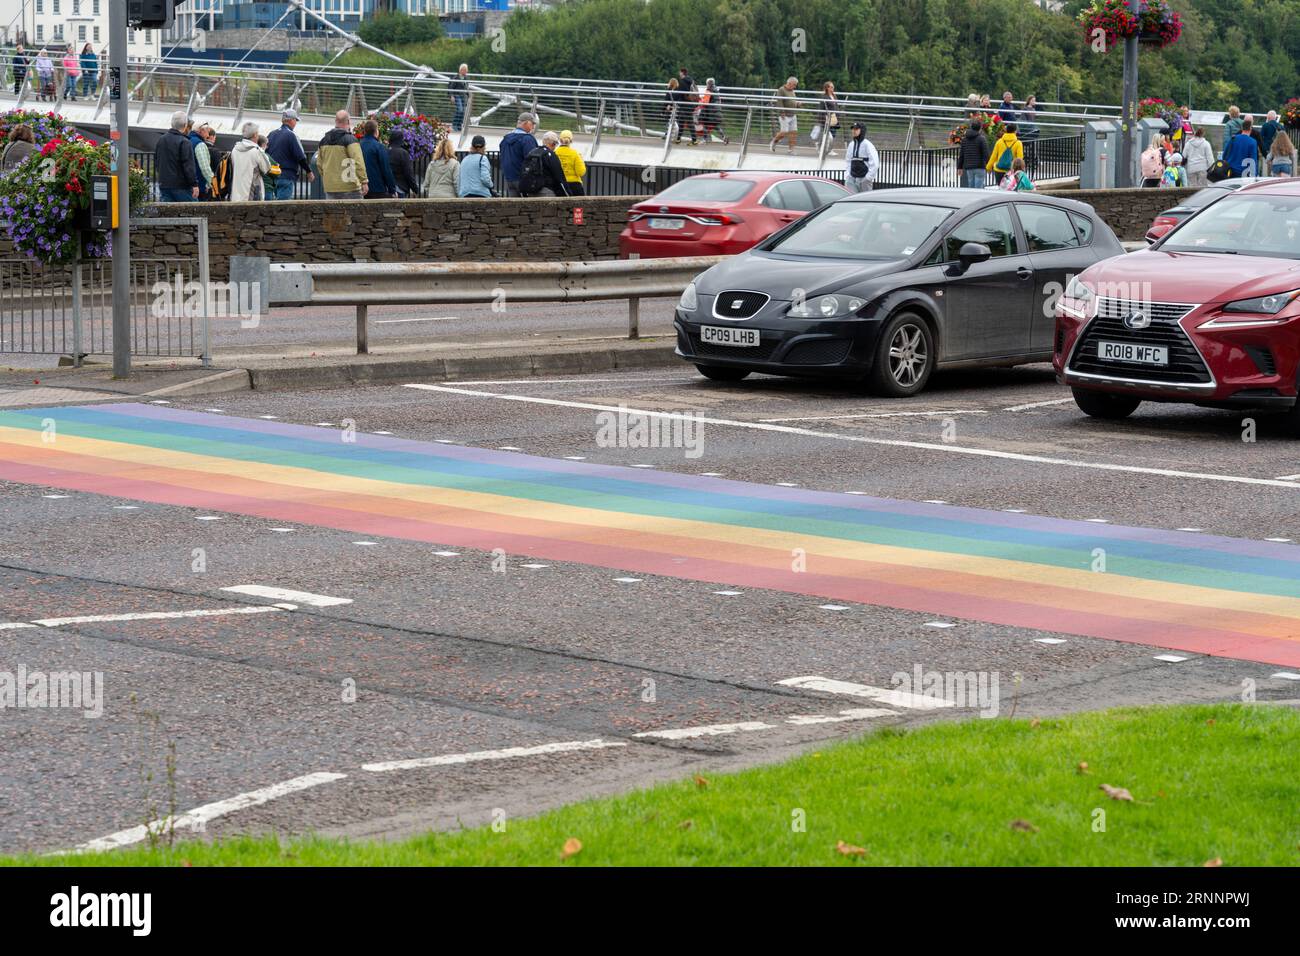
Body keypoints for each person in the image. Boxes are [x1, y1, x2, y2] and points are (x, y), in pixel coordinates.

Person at [318, 109, 368, 199]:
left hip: (330, 187)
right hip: (350, 187)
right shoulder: (350, 139)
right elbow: (358, 161)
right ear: (348, 121)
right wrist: (364, 181)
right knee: (355, 213)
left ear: (336, 121)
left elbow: (319, 165)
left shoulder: (323, 141)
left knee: (333, 213)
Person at [266, 108, 312, 200]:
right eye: (295, 120)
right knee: (282, 208)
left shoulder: (271, 134)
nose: (295, 123)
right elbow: (300, 157)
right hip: (286, 176)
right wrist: (308, 171)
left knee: (272, 206)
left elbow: (265, 153)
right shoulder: (291, 135)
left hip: (272, 176)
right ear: (292, 120)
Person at [155, 110, 199, 202]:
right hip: (181, 186)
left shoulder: (161, 139)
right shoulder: (185, 142)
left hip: (164, 184)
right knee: (195, 211)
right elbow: (188, 166)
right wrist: (194, 184)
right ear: (185, 125)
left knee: (168, 214)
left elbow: (157, 161)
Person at [518, 130, 569, 197]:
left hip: (530, 191)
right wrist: (567, 193)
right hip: (546, 191)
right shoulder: (550, 155)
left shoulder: (532, 152)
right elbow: (559, 176)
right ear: (553, 143)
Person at [498, 111, 538, 197]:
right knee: (529, 207)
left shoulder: (505, 139)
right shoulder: (527, 139)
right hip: (523, 179)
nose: (533, 126)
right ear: (526, 123)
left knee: (515, 207)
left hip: (509, 178)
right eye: (532, 124)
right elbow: (533, 160)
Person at [229, 122, 270, 202]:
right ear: (254, 135)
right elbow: (266, 169)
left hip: (235, 195)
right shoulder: (256, 151)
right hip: (252, 195)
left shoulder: (235, 150)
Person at [358, 119, 397, 199]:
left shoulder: (357, 146)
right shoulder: (379, 147)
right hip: (377, 189)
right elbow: (386, 170)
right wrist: (392, 190)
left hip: (360, 188)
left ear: (364, 131)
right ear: (376, 132)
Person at [844, 121, 878, 192]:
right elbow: (848, 161)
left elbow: (874, 163)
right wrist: (848, 175)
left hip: (864, 179)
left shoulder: (867, 145)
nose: (853, 131)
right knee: (851, 199)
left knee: (865, 200)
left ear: (862, 130)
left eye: (856, 129)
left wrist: (868, 178)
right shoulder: (851, 145)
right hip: (852, 178)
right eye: (853, 129)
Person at [957, 118, 991, 188]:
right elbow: (986, 154)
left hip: (969, 167)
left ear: (971, 127)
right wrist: (989, 166)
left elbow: (961, 154)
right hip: (980, 166)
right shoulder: (981, 139)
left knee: (971, 187)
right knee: (978, 188)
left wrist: (959, 167)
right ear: (980, 129)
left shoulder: (964, 139)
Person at [386, 129, 419, 198]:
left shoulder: (385, 151)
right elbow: (408, 173)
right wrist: (415, 189)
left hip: (387, 188)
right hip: (400, 188)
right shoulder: (403, 153)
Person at [770, 76, 799, 154]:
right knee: (784, 132)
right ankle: (774, 141)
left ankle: (791, 150)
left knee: (793, 133)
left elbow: (793, 101)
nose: (795, 86)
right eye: (794, 85)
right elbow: (779, 101)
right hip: (785, 114)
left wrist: (798, 104)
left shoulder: (792, 91)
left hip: (793, 114)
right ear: (789, 83)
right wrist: (781, 112)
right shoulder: (781, 90)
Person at [555, 130, 587, 195]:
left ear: (560, 140)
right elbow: (581, 172)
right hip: (575, 186)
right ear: (571, 141)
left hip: (560, 185)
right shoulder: (575, 154)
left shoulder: (555, 153)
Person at [698, 78, 728, 144]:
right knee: (716, 126)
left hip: (710, 112)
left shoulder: (709, 91)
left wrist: (700, 100)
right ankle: (724, 137)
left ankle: (704, 139)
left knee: (704, 124)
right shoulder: (717, 91)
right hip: (717, 111)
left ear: (708, 84)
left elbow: (705, 102)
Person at [673, 69, 698, 145]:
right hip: (690, 104)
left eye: (680, 72)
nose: (679, 73)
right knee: (681, 121)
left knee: (689, 123)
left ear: (682, 73)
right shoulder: (691, 80)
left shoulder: (683, 81)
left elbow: (681, 93)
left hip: (685, 105)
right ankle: (678, 139)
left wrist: (673, 96)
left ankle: (694, 140)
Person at [192, 123, 216, 199]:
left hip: (188, 185)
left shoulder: (188, 140)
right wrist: (213, 183)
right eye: (207, 131)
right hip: (199, 186)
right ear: (201, 131)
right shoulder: (200, 144)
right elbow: (205, 168)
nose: (208, 135)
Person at [816, 81, 840, 153]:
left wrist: (838, 116)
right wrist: (821, 118)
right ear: (827, 88)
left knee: (833, 134)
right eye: (831, 87)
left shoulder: (834, 96)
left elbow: (836, 106)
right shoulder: (824, 97)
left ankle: (820, 145)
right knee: (828, 135)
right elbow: (821, 108)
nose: (833, 88)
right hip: (827, 118)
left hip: (834, 118)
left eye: (833, 87)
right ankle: (829, 150)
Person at [448, 63, 469, 132]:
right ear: (461, 70)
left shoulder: (466, 78)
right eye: (465, 70)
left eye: (466, 70)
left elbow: (466, 88)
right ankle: (454, 125)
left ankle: (459, 125)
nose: (466, 71)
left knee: (463, 112)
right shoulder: (456, 77)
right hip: (457, 95)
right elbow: (451, 87)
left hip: (463, 96)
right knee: (460, 110)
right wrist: (451, 96)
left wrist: (469, 96)